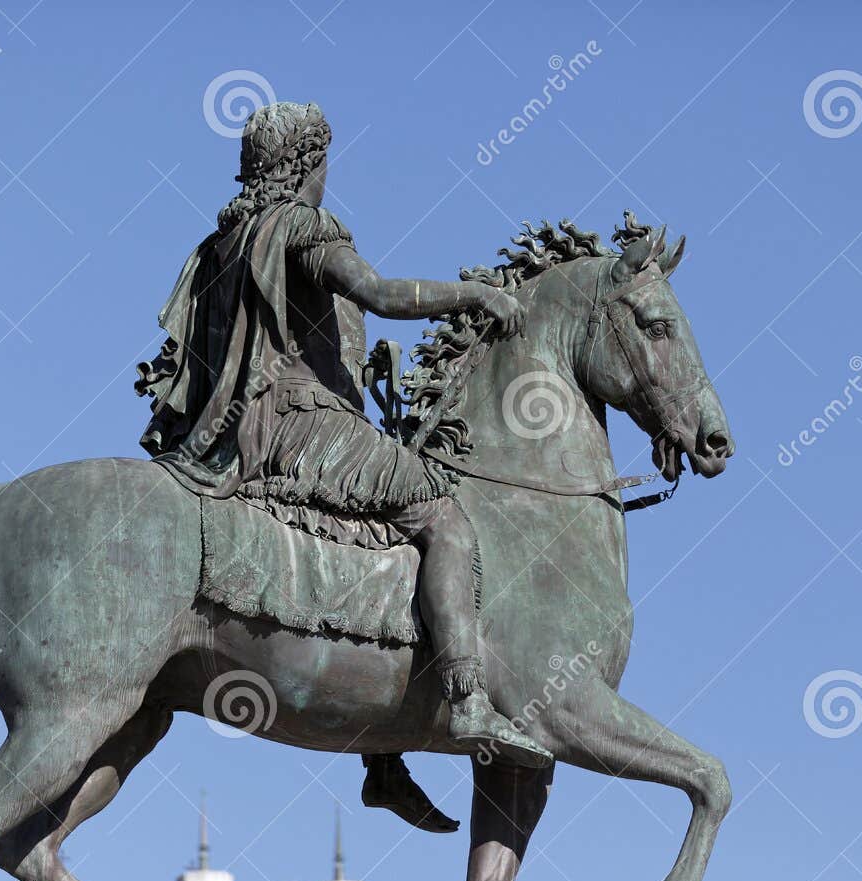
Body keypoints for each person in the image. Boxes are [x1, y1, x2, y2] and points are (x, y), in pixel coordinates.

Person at [135, 103, 553, 826]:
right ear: (305, 166)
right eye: (325, 161)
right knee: (443, 515)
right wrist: (478, 295)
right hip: (298, 425)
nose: (329, 176)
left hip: (238, 433)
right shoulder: (299, 227)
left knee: (375, 550)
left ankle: (383, 759)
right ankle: (466, 696)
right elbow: (382, 295)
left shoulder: (221, 243)